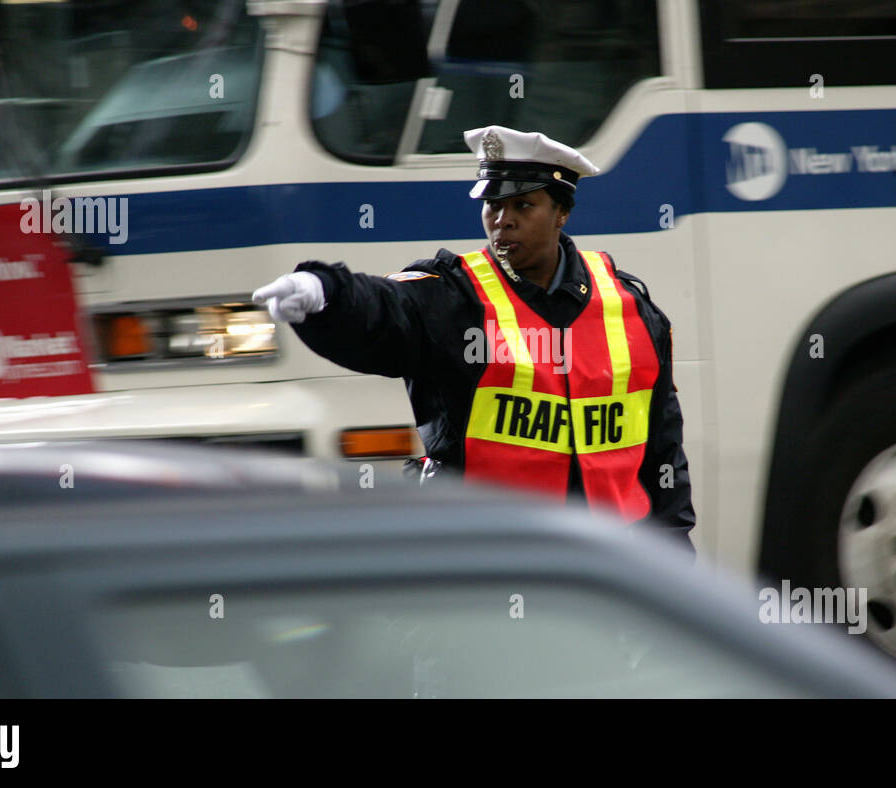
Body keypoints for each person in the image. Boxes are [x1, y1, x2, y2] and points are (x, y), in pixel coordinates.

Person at [252, 126, 695, 550]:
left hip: (605, 575)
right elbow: (388, 308)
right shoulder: (457, 294)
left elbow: (664, 455)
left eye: (523, 206)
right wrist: (327, 292)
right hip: (487, 568)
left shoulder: (631, 307)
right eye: (493, 206)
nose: (503, 220)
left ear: (562, 212)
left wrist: (674, 567)